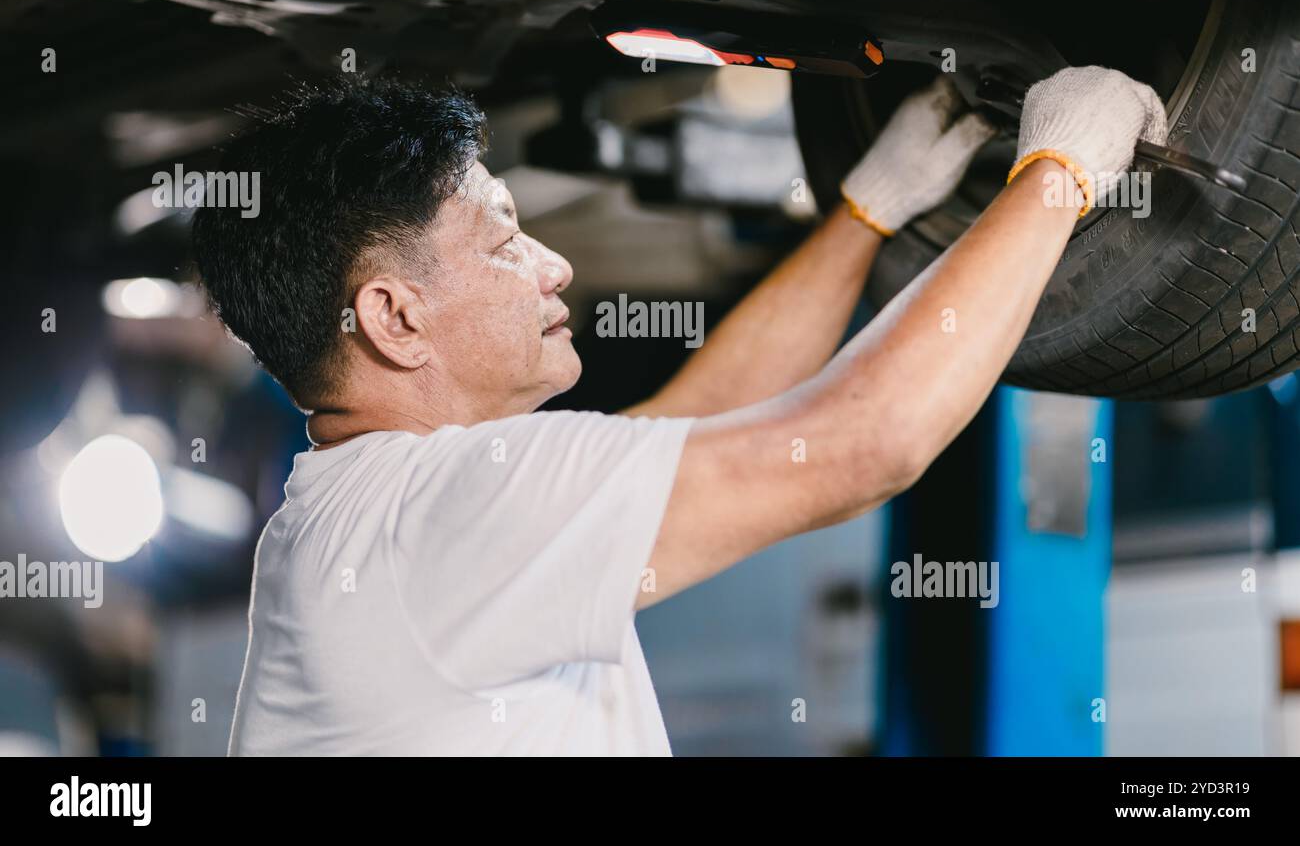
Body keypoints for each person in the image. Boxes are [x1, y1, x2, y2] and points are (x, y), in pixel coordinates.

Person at [191, 66, 1166, 755]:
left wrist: (870, 206)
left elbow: (688, 418)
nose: (553, 264)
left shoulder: (374, 510)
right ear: (393, 318)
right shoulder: (436, 517)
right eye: (502, 244)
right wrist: (1058, 173)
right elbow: (864, 442)